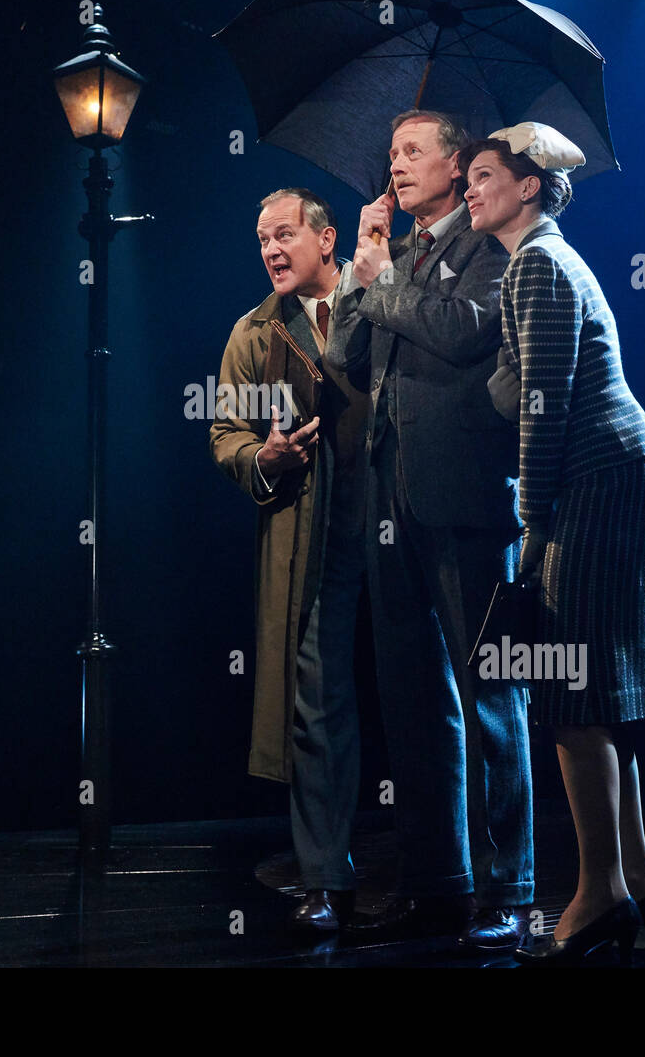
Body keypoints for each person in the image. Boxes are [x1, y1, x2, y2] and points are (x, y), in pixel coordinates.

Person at [458, 122, 645, 965]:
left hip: (599, 484)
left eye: (484, 175)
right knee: (596, 694)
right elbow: (522, 386)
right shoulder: (538, 266)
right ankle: (634, 879)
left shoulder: (540, 264)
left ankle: (599, 895)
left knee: (568, 690)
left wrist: (532, 518)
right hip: (615, 479)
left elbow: (542, 408)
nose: (470, 187)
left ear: (528, 186)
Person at [325, 110, 533, 951]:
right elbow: (345, 357)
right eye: (391, 155)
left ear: (457, 165)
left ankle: (508, 887)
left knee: (489, 695)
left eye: (413, 151)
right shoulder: (393, 253)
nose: (397, 164)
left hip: (465, 495)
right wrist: (359, 272)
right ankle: (437, 880)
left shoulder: (490, 244)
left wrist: (385, 284)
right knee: (412, 699)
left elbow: (461, 332)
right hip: (390, 503)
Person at [210, 187, 371, 932]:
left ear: (326, 238)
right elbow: (226, 436)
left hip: (397, 518)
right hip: (311, 532)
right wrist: (265, 457)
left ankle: (453, 873)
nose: (270, 249)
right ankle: (324, 877)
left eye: (283, 235)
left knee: (424, 695)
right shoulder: (253, 332)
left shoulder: (378, 298)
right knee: (316, 706)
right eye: (261, 239)